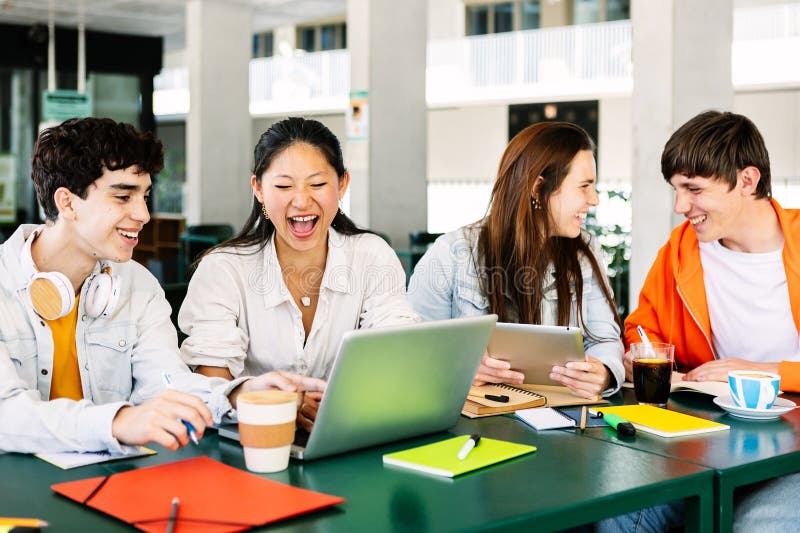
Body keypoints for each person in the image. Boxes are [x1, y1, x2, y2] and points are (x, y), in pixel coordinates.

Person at [0, 117, 323, 455]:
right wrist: (119, 422)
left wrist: (238, 395)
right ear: (67, 202)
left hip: (105, 486)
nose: (143, 214)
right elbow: (6, 414)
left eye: (144, 196)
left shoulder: (138, 286)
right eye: (124, 196)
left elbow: (168, 383)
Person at [603, 110, 800, 532]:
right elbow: (641, 333)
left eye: (693, 189)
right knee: (621, 516)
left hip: (794, 453)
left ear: (747, 181)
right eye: (675, 189)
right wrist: (641, 362)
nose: (680, 207)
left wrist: (765, 373)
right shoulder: (679, 253)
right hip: (706, 441)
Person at [178, 117, 418, 430]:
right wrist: (261, 398)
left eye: (317, 184)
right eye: (283, 186)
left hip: (352, 435)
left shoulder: (373, 256)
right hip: (252, 443)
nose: (302, 200)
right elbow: (208, 388)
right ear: (259, 189)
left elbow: (398, 351)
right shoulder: (223, 269)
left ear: (342, 184)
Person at [407, 122, 624, 398]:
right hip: (474, 421)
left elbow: (605, 339)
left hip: (562, 419)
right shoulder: (453, 252)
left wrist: (603, 372)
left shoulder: (586, 251)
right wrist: (458, 366)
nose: (594, 200)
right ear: (537, 188)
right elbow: (413, 348)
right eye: (584, 186)